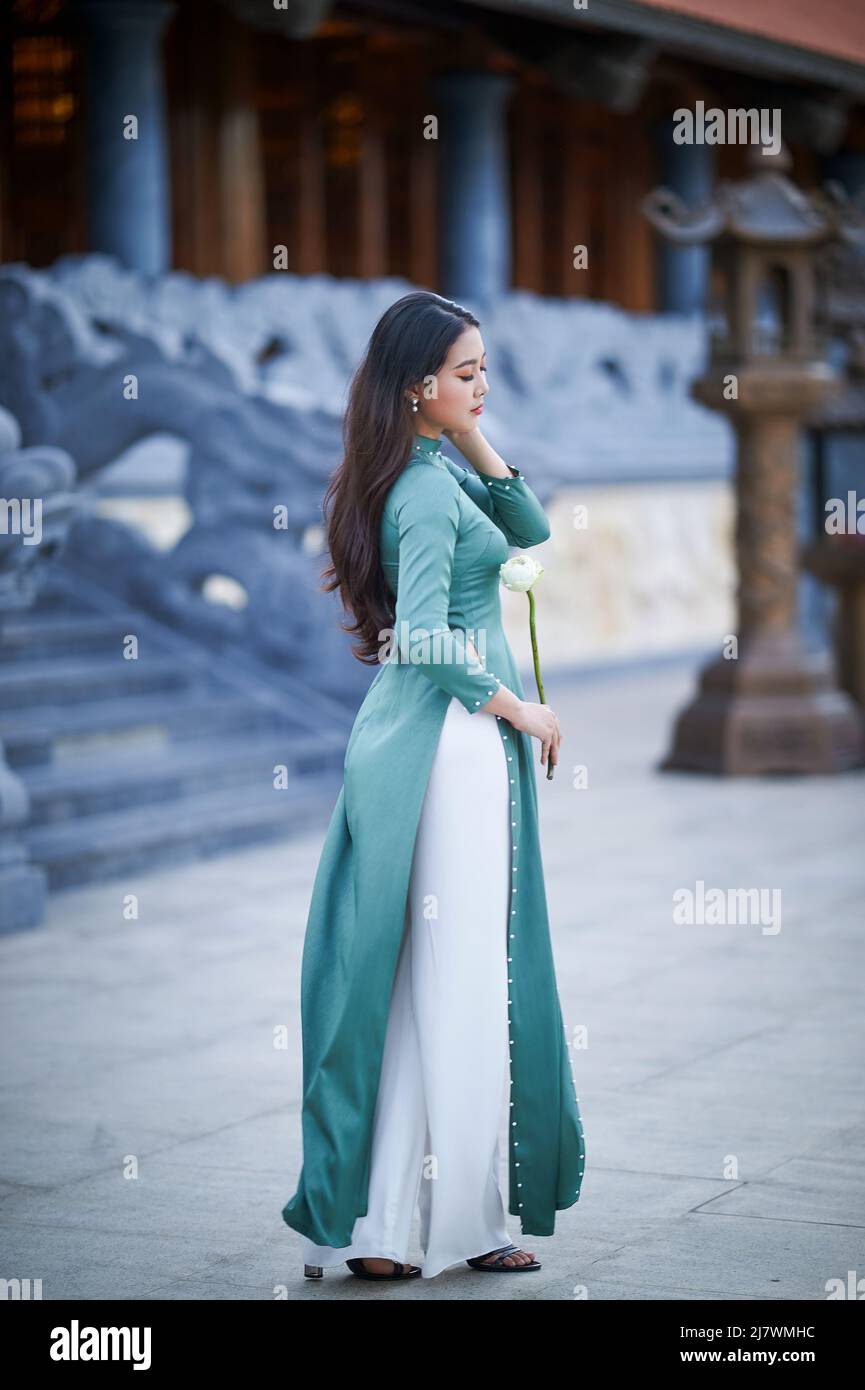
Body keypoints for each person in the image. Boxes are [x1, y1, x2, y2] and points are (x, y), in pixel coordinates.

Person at [281, 290, 585, 1282]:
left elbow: (527, 527)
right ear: (416, 384)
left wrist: (474, 437)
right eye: (465, 373)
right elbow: (418, 634)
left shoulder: (431, 468)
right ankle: (459, 1222)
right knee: (456, 978)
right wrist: (519, 707)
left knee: (426, 978)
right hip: (446, 745)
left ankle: (387, 1228)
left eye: (484, 369)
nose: (482, 386)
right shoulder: (417, 491)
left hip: (437, 743)